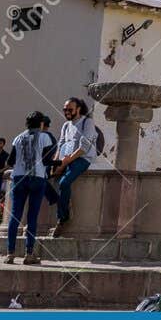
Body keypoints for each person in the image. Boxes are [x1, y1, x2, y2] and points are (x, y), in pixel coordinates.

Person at [6, 111, 55, 265]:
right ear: (41, 123)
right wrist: (59, 163)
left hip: (19, 178)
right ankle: (29, 253)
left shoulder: (18, 138)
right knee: (32, 216)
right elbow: (47, 160)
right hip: (37, 178)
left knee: (15, 216)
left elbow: (11, 160)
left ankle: (10, 253)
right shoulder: (44, 137)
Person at [50, 97, 97, 233]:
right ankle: (61, 206)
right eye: (65, 109)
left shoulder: (87, 122)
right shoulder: (66, 125)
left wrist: (65, 162)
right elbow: (61, 144)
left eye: (70, 109)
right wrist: (56, 162)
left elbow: (84, 147)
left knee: (64, 182)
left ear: (79, 109)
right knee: (47, 178)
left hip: (82, 159)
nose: (67, 112)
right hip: (66, 159)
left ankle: (62, 218)